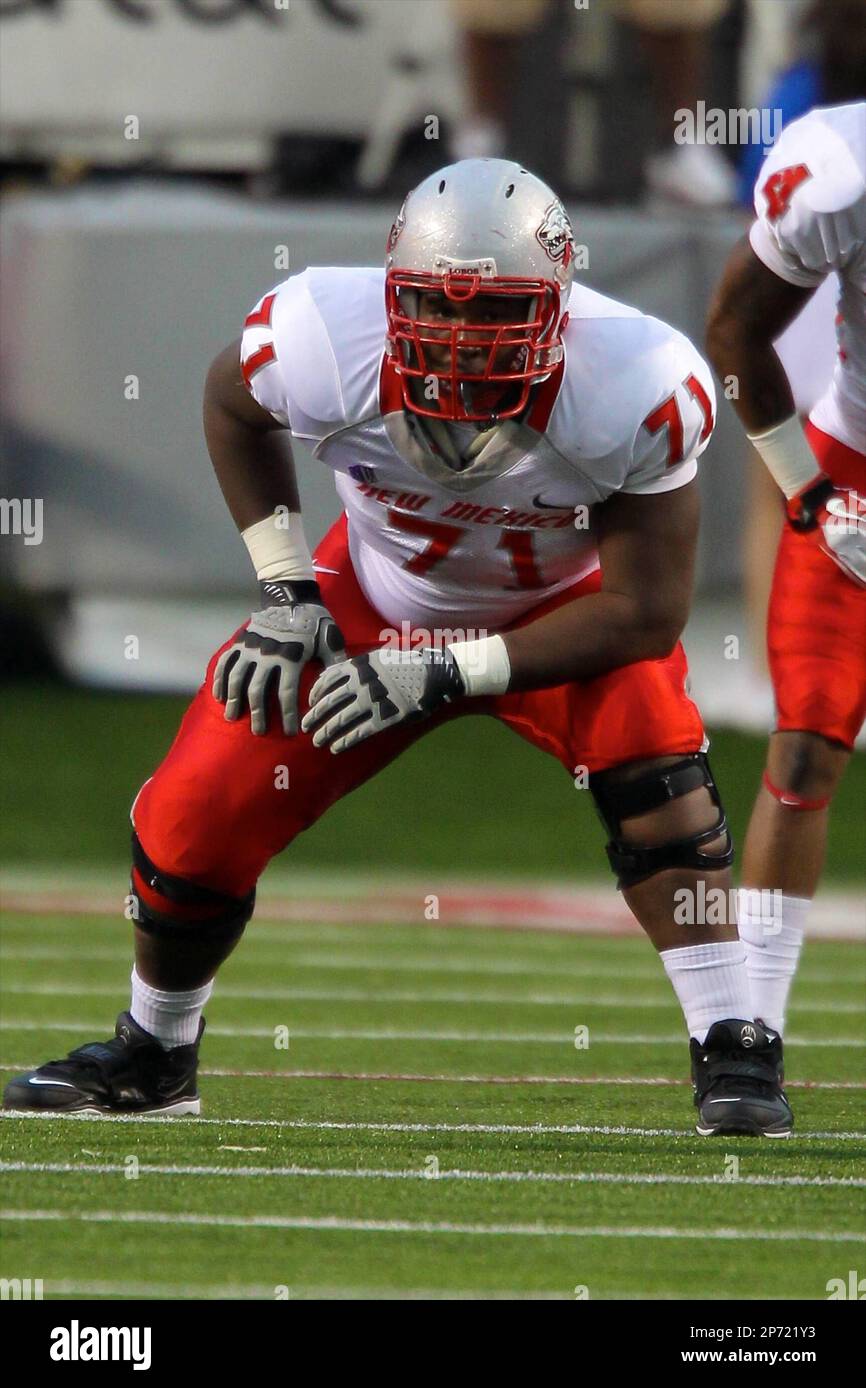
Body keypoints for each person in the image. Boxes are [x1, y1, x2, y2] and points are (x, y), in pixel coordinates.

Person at [5, 158, 792, 1137]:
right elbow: (229, 404)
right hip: (371, 601)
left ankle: (730, 1040)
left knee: (650, 752)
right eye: (436, 305)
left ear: (558, 299)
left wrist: (446, 669)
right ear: (391, 288)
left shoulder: (636, 379)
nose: (461, 338)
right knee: (195, 808)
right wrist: (288, 589)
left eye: (496, 312)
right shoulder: (317, 334)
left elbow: (644, 614)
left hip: (562, 617)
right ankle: (156, 1049)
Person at [706, 101, 866, 1043]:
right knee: (807, 739)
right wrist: (806, 494)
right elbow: (734, 330)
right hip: (853, 466)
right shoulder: (841, 169)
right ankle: (751, 1033)